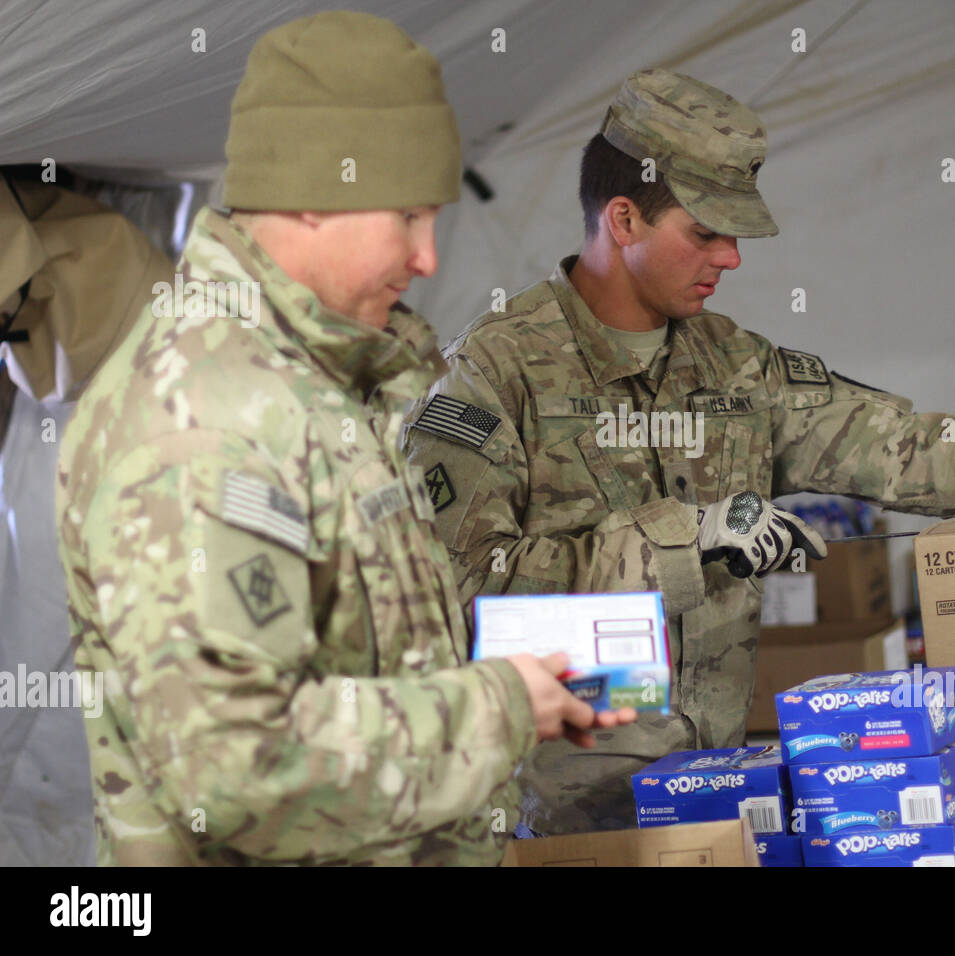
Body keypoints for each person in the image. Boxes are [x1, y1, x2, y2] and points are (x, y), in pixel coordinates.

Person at [403, 69, 955, 836]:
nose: (731, 259)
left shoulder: (733, 368)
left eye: (737, 236)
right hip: (553, 820)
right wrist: (691, 540)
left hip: (712, 795)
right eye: (706, 233)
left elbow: (925, 451)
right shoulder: (496, 376)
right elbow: (455, 593)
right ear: (626, 219)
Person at [56, 11, 631, 867]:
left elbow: (342, 648)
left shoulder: (301, 382)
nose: (430, 257)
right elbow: (236, 768)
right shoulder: (201, 421)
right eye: (408, 217)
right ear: (313, 196)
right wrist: (499, 707)